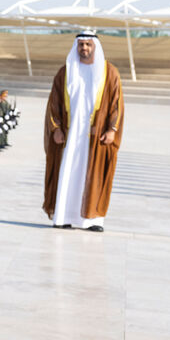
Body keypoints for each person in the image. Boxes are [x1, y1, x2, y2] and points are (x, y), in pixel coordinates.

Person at [42, 31, 124, 232]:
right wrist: (56, 129)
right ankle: (63, 217)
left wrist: (112, 129)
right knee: (67, 173)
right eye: (81, 45)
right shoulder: (65, 72)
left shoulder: (109, 72)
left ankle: (92, 221)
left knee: (93, 176)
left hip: (95, 138)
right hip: (70, 137)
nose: (84, 48)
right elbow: (54, 103)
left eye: (88, 44)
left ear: (95, 46)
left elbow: (116, 104)